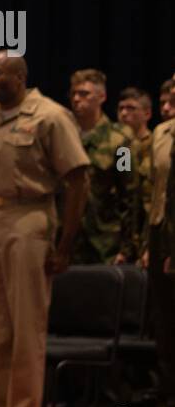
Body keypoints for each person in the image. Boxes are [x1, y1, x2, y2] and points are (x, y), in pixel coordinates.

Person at [0, 51, 88, 407]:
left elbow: (78, 180)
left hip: (29, 217)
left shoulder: (49, 115)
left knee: (25, 327)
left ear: (18, 77)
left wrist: (64, 245)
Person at [68, 69, 137, 264]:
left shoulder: (120, 141)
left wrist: (127, 248)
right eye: (73, 93)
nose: (76, 99)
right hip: (68, 242)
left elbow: (129, 195)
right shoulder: (65, 136)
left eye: (84, 94)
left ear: (102, 97)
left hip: (105, 243)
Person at [142, 84, 175, 407]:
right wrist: (148, 243)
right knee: (165, 332)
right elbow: (151, 190)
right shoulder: (161, 134)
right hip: (161, 230)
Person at [118, 86, 154, 262]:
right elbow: (125, 191)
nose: (124, 113)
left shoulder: (156, 145)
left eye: (131, 108)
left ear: (147, 114)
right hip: (126, 231)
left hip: (149, 228)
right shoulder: (123, 149)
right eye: (121, 108)